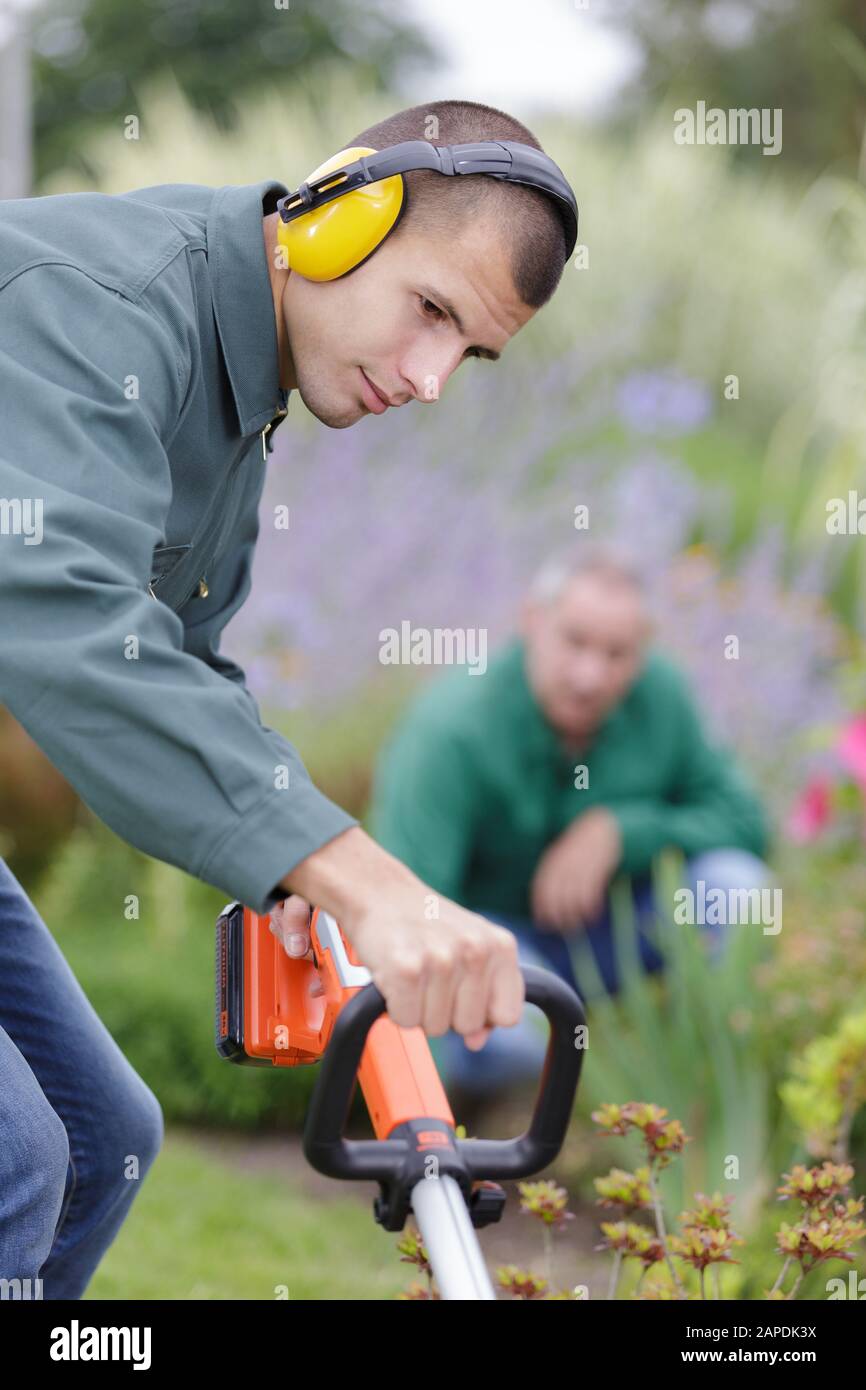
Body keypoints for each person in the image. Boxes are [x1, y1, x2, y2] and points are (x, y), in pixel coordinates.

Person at [0, 100, 576, 1297]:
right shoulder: (94, 309)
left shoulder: (236, 394)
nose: (428, 379)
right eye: (429, 310)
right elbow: (66, 625)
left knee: (104, 1138)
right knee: (15, 1158)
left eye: (466, 352)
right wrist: (358, 872)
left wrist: (297, 875)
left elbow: (178, 660)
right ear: (331, 215)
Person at [368, 543, 773, 1099]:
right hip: (493, 946)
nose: (590, 676)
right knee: (522, 1037)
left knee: (738, 889)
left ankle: (712, 1078)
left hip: (611, 935)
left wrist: (621, 833)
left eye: (616, 655)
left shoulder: (663, 696)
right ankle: (493, 1107)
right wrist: (415, 1113)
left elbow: (747, 823)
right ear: (533, 621)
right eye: (575, 642)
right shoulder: (452, 729)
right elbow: (408, 906)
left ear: (643, 652)